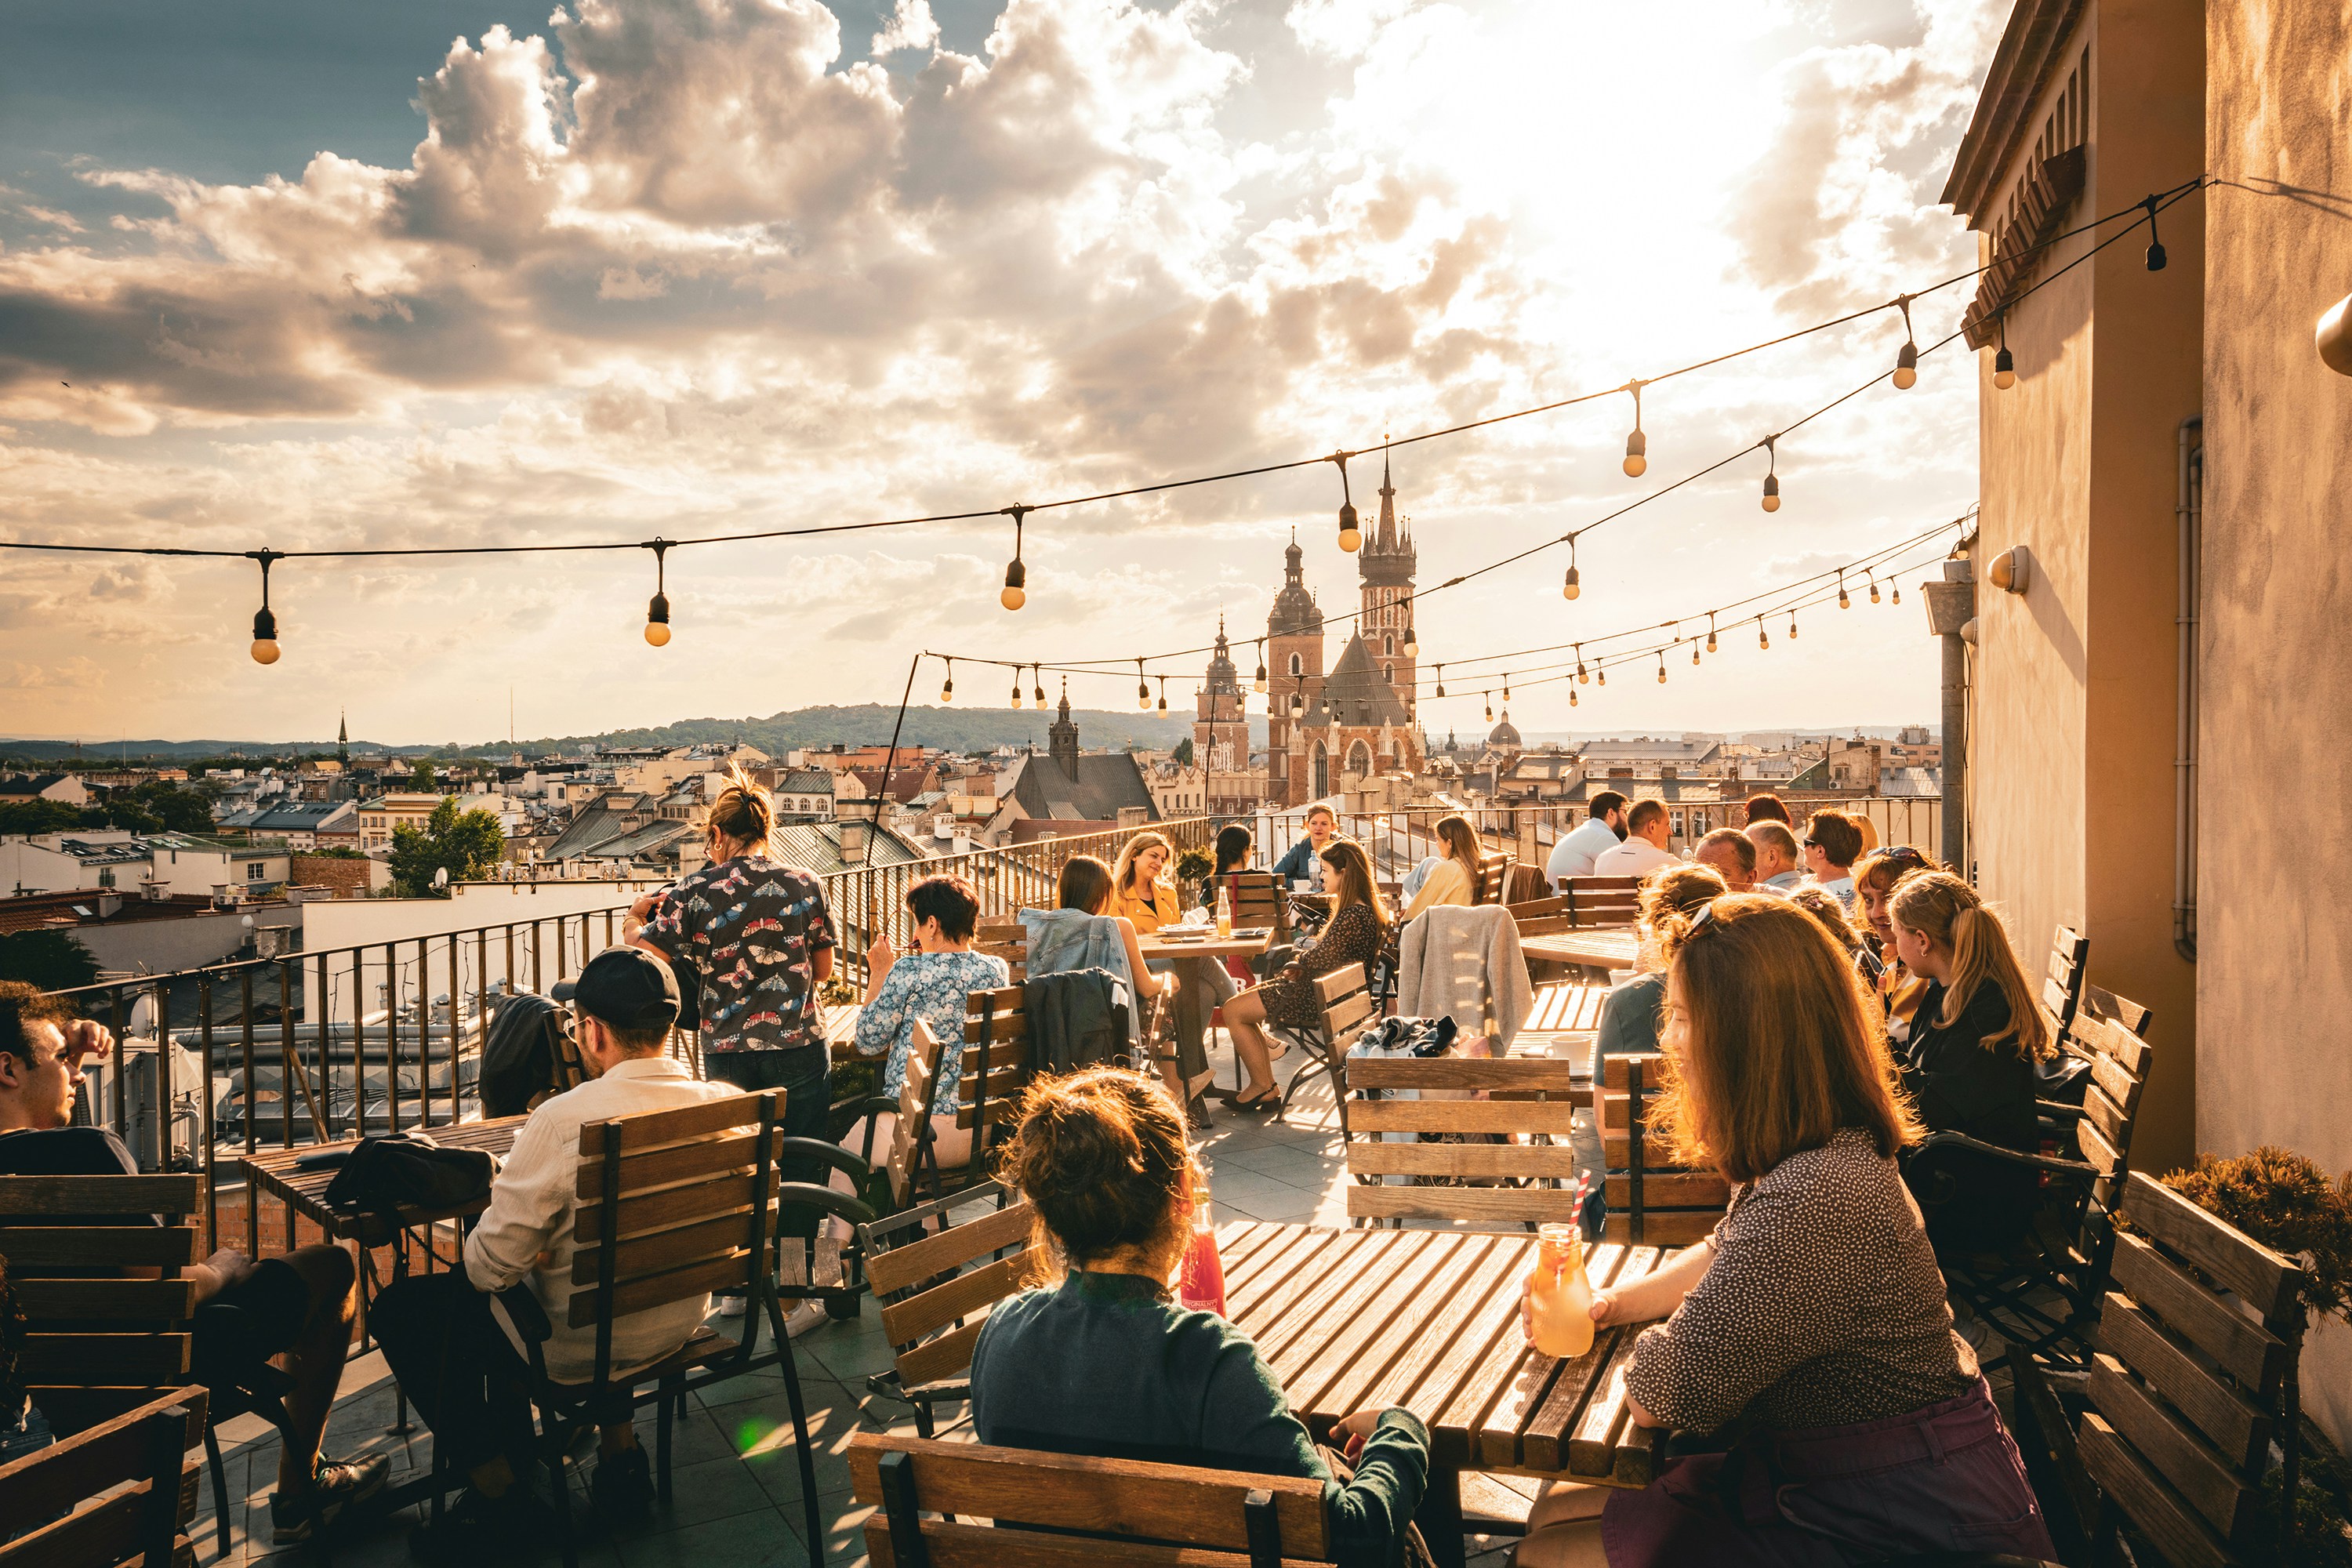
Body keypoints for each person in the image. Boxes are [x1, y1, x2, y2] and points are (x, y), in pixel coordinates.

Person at [1512, 895, 2053, 1568]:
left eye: (1682, 1017)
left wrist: (1673, 1337)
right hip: (1844, 1478)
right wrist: (1612, 1306)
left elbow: (1664, 1393)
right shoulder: (1813, 1150)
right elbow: (1727, 1251)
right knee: (1551, 1516)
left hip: (1912, 1518)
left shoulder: (1814, 1193)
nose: (1670, 1040)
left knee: (1548, 1555)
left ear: (1749, 1034)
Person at [970, 1067, 1431, 1566]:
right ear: (1183, 1194)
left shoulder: (1002, 1333)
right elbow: (1353, 1535)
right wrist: (1401, 1431)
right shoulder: (1204, 1358)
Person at [372, 948, 740, 1553]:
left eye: (575, 1024)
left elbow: (487, 1269)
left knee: (403, 1311)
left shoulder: (563, 1120)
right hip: (677, 1321)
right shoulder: (725, 1101)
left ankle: (502, 1497)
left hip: (577, 1350)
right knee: (601, 1273)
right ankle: (622, 1461)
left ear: (592, 1031)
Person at [0, 982, 384, 1545]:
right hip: (150, 1372)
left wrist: (66, 1049)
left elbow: (36, 1138)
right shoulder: (89, 1153)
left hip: (46, 1389)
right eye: (64, 1061)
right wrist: (223, 1268)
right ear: (7, 1069)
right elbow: (157, 1285)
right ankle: (302, 1487)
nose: (78, 1075)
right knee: (331, 1266)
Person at [628, 769, 837, 1324]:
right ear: (765, 830)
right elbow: (824, 968)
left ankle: (738, 1290)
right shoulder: (804, 881)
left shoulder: (694, 892)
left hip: (726, 1052)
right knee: (799, 1169)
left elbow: (645, 960)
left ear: (719, 836)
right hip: (798, 1043)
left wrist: (634, 920)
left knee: (737, 1172)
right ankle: (793, 1296)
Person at [1886, 873, 2052, 1252]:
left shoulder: (1983, 1010)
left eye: (1897, 937)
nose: (1894, 948)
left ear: (1923, 941)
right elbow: (1923, 1080)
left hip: (1976, 1198)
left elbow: (1929, 1112)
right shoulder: (1948, 991)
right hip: (1954, 1171)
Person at [834, 876, 1009, 1219]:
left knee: (846, 1159)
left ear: (932, 924)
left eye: (917, 922)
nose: (914, 934)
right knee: (914, 1152)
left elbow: (868, 1043)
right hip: (978, 1133)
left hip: (920, 1136)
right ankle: (932, 1258)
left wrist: (880, 974)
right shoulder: (996, 969)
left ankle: (834, 1261)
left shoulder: (910, 970)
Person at [1218, 838, 1388, 1113]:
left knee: (1233, 1012)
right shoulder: (1363, 911)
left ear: (1343, 873)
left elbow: (1324, 958)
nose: (1321, 876)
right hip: (1331, 993)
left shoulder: (1353, 915)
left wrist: (1298, 958)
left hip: (1317, 996)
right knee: (1237, 1007)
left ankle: (1262, 1086)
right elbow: (1330, 956)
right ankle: (1264, 1086)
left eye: (1325, 870)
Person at [1111, 832, 1236, 1112]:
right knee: (1201, 962)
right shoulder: (1116, 895)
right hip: (1138, 969)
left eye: (1163, 858)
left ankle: (1185, 1078)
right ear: (1134, 856)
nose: (1159, 863)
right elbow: (1115, 944)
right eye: (1153, 856)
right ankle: (1237, 1010)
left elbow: (1177, 934)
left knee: (1203, 988)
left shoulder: (1166, 893)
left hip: (1170, 969)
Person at [1853, 847, 1937, 1036]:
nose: (1877, 913)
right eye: (1868, 900)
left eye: (1888, 899)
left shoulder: (1935, 970)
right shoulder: (1890, 960)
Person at [1400, 814, 1480, 919]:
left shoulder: (1446, 869)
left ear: (1450, 843)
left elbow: (1420, 907)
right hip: (1464, 921)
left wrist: (1405, 918)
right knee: (1430, 862)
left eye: (1438, 839)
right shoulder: (1473, 864)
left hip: (1447, 925)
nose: (1437, 844)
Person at [1547, 793, 1628, 887]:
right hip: (1573, 901)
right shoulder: (1603, 836)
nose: (1627, 818)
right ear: (1611, 813)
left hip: (1559, 898)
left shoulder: (1589, 830)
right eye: (1625, 812)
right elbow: (1624, 875)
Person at [1592, 799, 1676, 877]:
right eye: (1667, 824)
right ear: (1652, 826)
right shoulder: (1669, 864)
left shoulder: (1603, 859)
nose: (1670, 832)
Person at [1799, 809, 1862, 910]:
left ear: (1820, 851)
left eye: (1806, 842)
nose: (1803, 847)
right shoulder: (1861, 889)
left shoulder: (1821, 894)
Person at [1272, 804, 1339, 886]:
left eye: (1324, 824)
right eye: (1314, 823)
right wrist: (1303, 883)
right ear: (1307, 825)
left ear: (1333, 826)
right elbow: (1273, 877)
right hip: (1307, 898)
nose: (1318, 828)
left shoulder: (1341, 848)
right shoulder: (1299, 849)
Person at [1202, 822, 1256, 909]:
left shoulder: (1208, 883)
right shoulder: (1266, 878)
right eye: (1251, 847)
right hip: (1259, 923)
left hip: (1223, 923)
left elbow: (1206, 910)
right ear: (1244, 851)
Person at [1687, 827, 1756, 893]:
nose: (1704, 884)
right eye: (1699, 873)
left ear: (1749, 880)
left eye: (1719, 875)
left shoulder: (1764, 902)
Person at [1744, 819, 1804, 892]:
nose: (1742, 863)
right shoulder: (1812, 894)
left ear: (1771, 857)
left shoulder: (1766, 899)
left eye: (1747, 855)